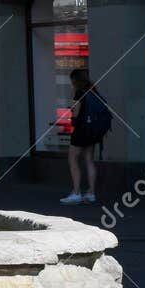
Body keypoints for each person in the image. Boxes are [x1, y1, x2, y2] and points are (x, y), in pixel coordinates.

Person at [60, 68, 110, 206]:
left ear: (75, 80)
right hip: (93, 132)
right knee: (89, 160)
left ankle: (76, 193)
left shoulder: (79, 93)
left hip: (81, 132)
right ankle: (91, 193)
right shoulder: (94, 91)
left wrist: (72, 114)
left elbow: (75, 116)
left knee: (73, 160)